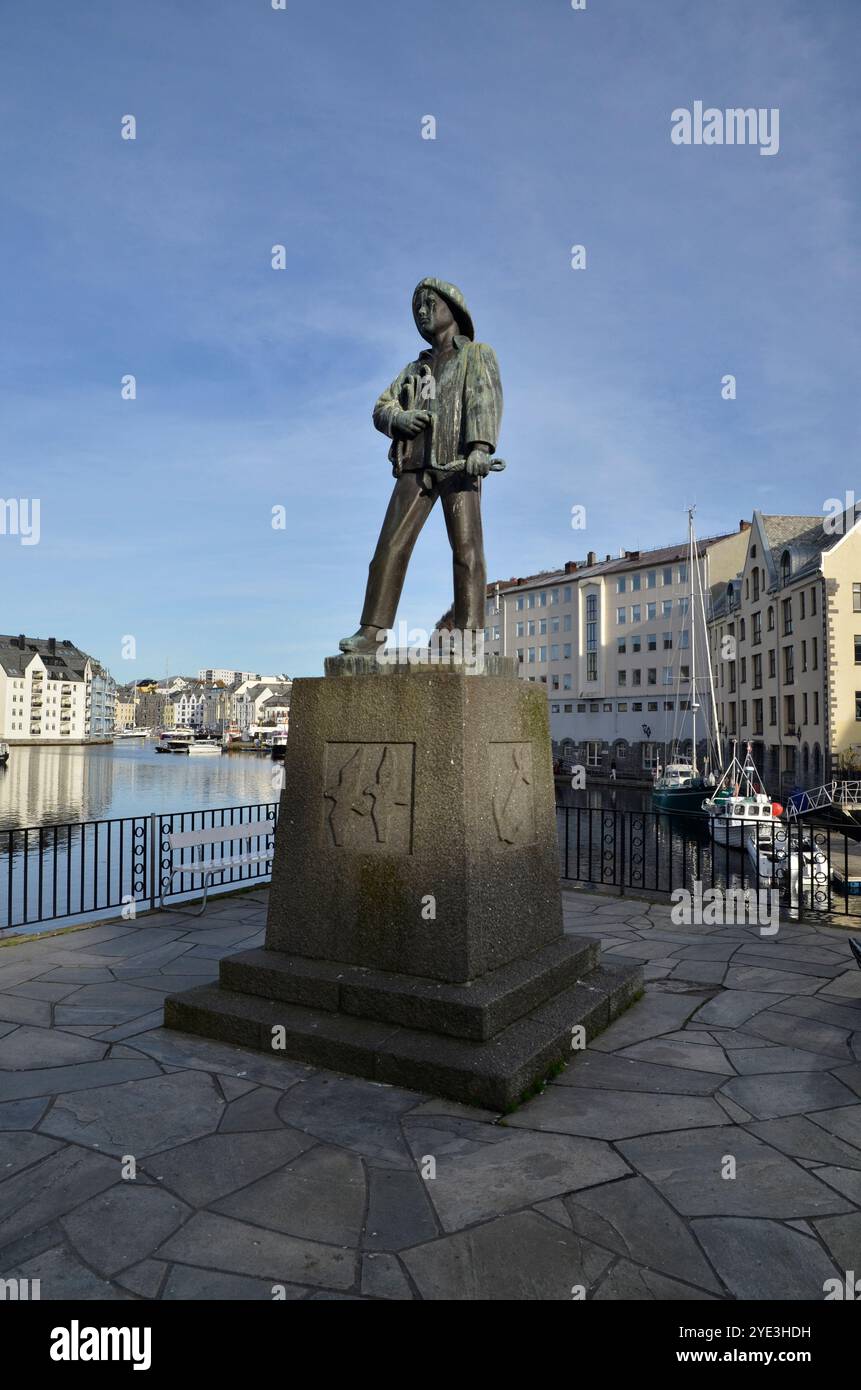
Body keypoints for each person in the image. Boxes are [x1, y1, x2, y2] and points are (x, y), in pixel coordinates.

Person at [340, 278, 503, 654]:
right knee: (389, 547)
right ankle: (372, 633)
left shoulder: (475, 354)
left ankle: (468, 636)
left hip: (459, 465)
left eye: (430, 305)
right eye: (418, 310)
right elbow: (383, 406)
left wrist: (480, 446)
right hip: (416, 466)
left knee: (466, 550)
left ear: (453, 308)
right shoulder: (416, 368)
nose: (423, 313)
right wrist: (400, 419)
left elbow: (483, 399)